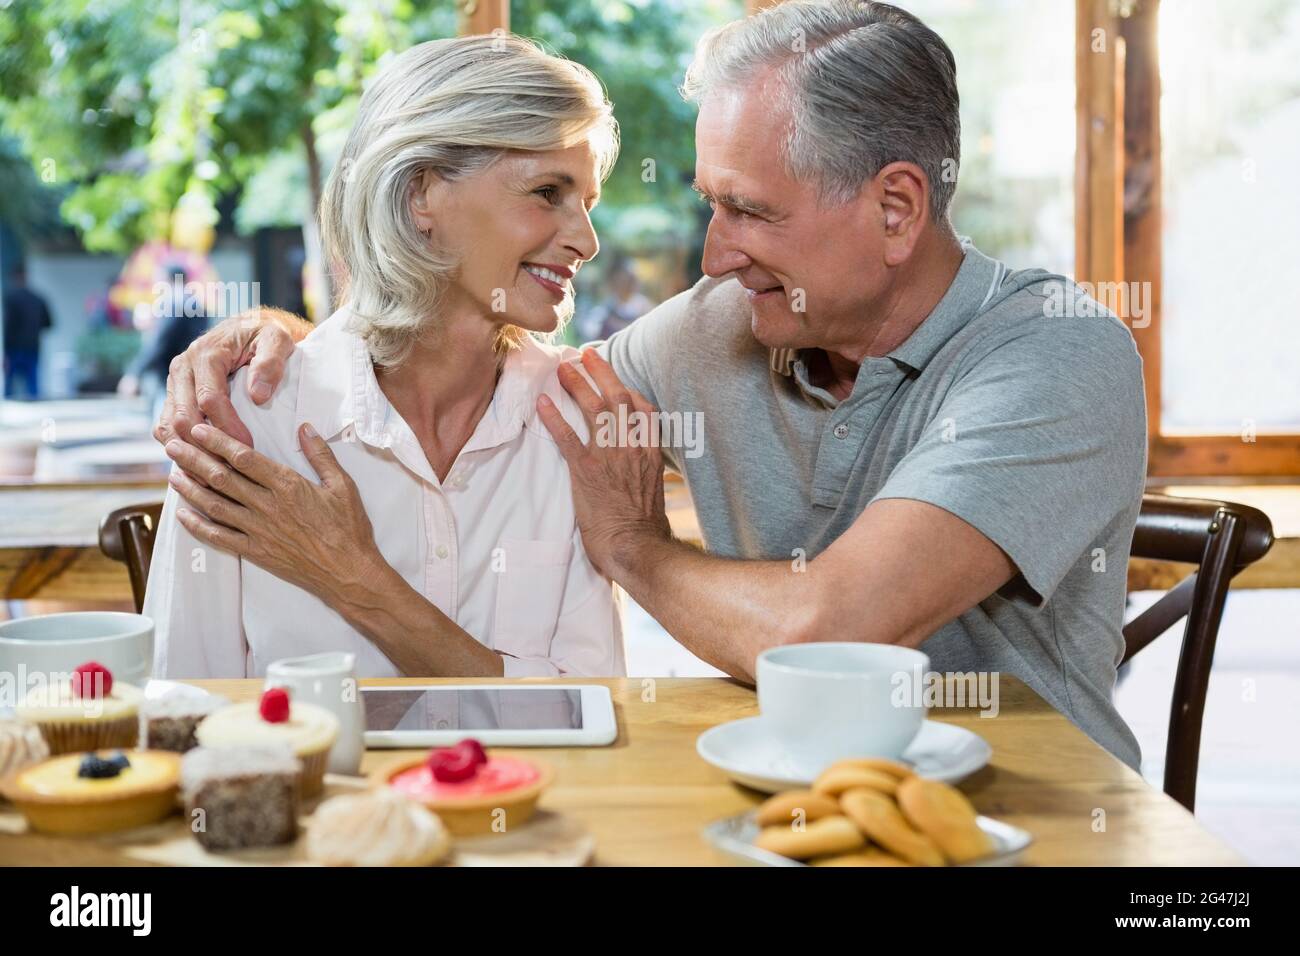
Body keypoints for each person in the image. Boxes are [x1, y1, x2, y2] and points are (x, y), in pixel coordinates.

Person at [154, 1, 1147, 770]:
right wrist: (271, 344)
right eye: (711, 207)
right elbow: (437, 351)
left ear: (895, 208)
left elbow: (823, 628)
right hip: (780, 812)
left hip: (1028, 819)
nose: (713, 256)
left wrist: (633, 546)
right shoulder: (723, 325)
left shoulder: (1057, 355)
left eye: (750, 211)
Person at [143, 35, 626, 679]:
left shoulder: (577, 422)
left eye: (587, 203)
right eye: (547, 193)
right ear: (421, 193)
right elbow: (185, 707)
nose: (586, 241)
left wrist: (356, 578)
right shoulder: (244, 422)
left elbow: (590, 713)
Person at [118, 264, 211, 421]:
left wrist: (134, 373)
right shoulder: (194, 302)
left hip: (173, 376)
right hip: (191, 372)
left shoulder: (176, 302)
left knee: (167, 427)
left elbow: (160, 341)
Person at [2, 266, 53, 398]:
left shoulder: (11, 299)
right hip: (32, 345)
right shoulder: (38, 298)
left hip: (14, 348)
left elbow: (9, 326)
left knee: (10, 385)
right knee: (32, 384)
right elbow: (48, 323)